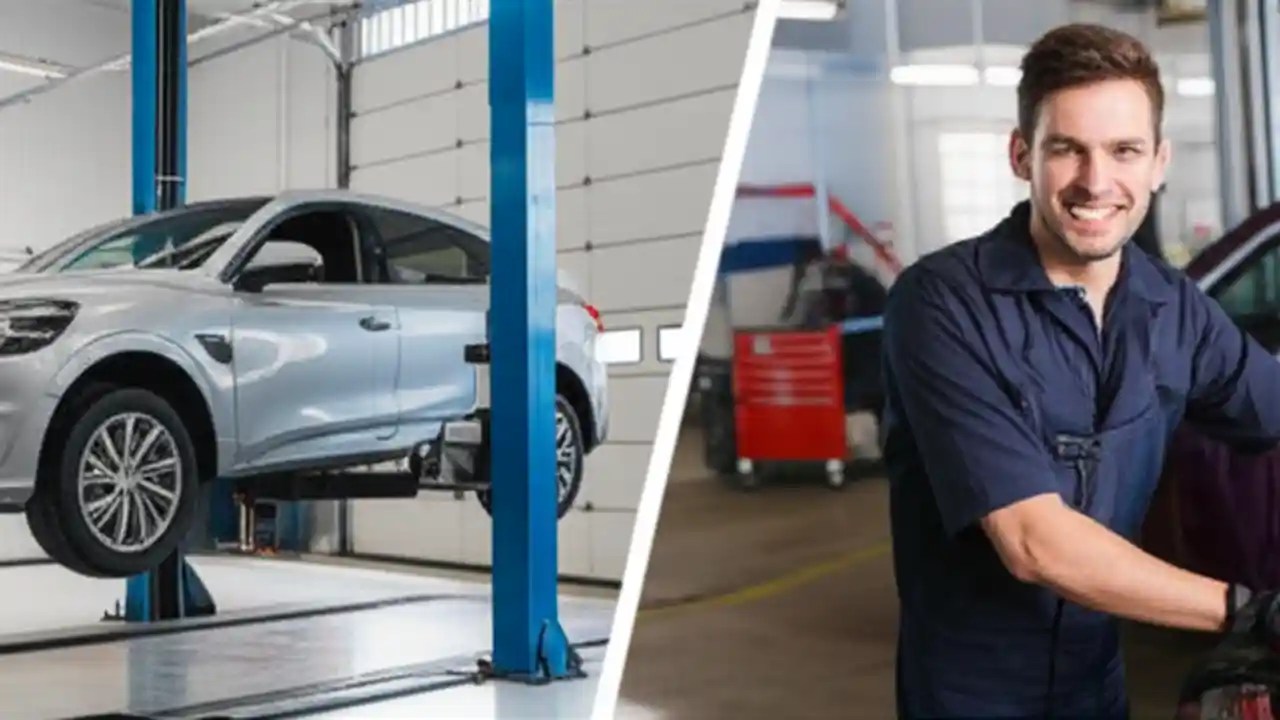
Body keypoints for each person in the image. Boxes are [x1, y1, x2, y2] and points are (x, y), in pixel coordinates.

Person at [880, 23, 1280, 718]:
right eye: (1068, 150)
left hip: (1096, 686)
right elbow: (1036, 543)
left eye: (1124, 151)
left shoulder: (1172, 307)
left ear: (1158, 161)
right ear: (1021, 155)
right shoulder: (941, 305)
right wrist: (1253, 613)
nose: (1097, 183)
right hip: (972, 698)